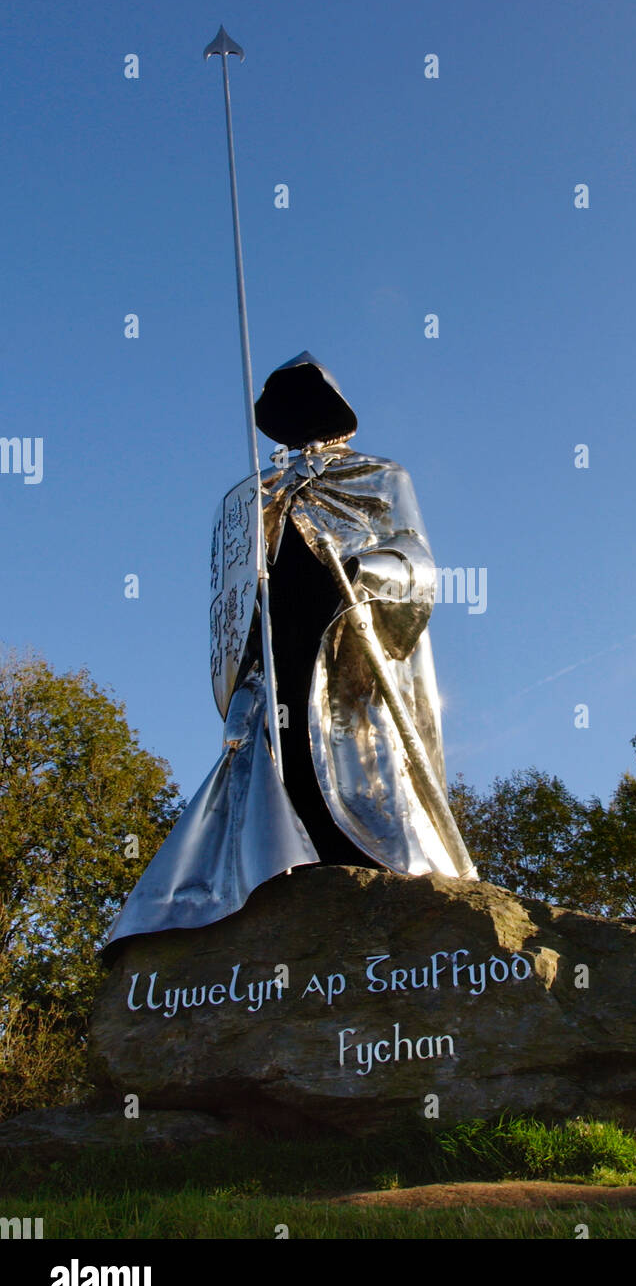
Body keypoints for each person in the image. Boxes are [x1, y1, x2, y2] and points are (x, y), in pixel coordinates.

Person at [103, 352, 475, 959]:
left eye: (311, 404)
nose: (301, 419)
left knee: (357, 777)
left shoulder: (380, 477)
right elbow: (231, 594)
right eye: (287, 406)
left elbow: (419, 562)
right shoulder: (254, 500)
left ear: (334, 413)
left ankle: (389, 886)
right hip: (276, 652)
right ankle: (258, 882)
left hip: (347, 654)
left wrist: (366, 568)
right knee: (278, 769)